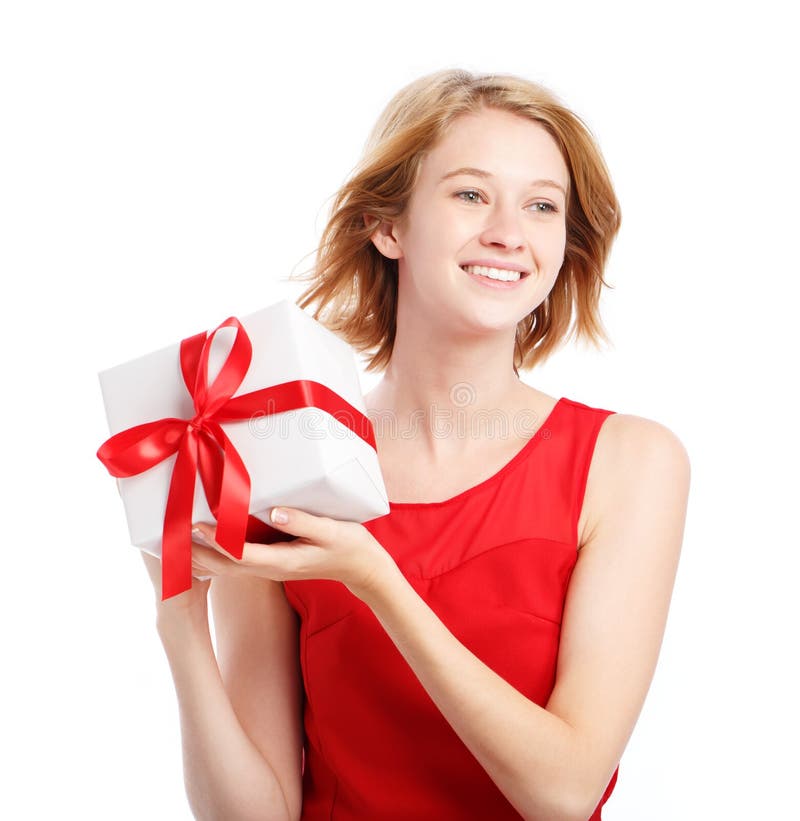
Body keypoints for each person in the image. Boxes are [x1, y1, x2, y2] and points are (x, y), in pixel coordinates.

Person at [141, 68, 690, 820]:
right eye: (470, 194)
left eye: (541, 205)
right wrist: (179, 619)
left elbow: (565, 794)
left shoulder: (629, 463)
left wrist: (378, 581)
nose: (508, 232)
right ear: (387, 226)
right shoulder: (283, 459)